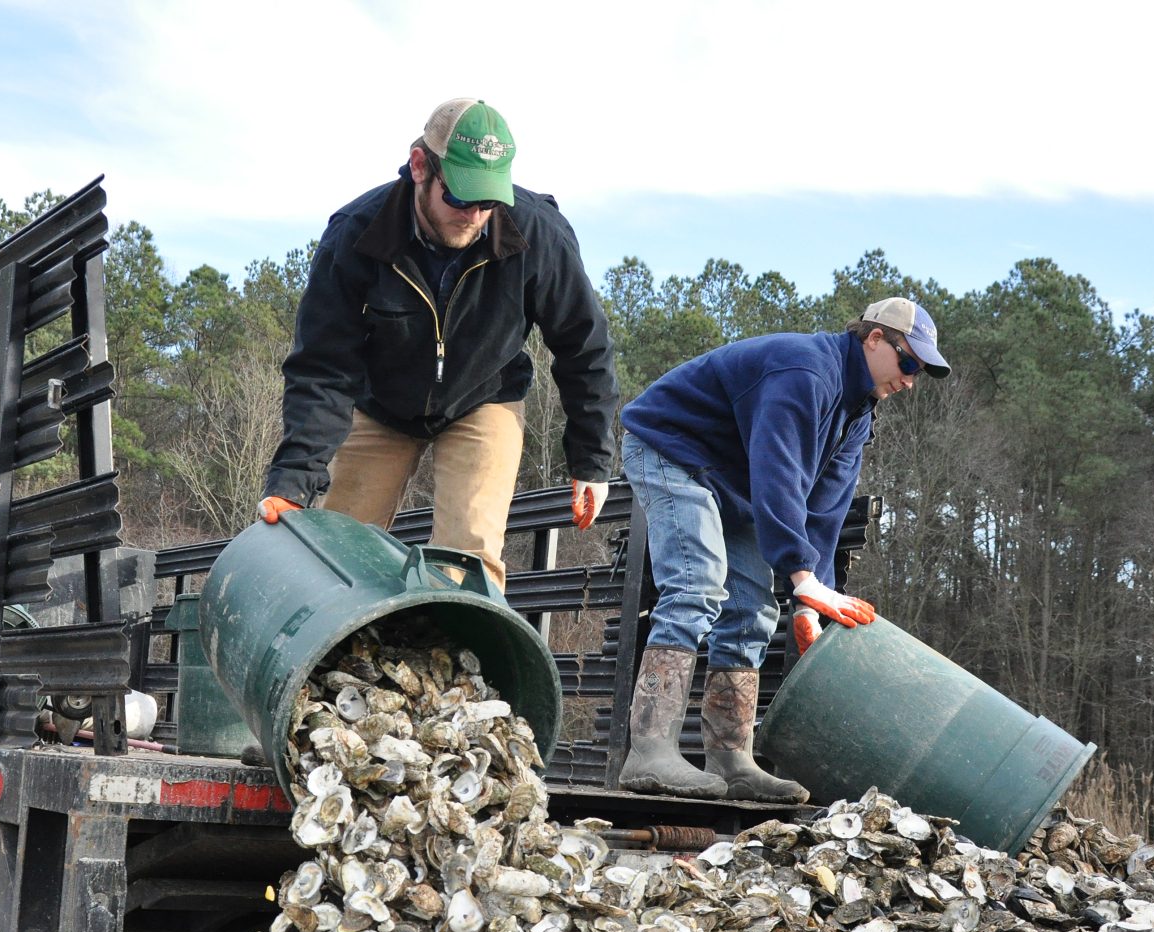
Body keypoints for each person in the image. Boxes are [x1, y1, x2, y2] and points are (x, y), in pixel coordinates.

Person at [256, 98, 619, 589]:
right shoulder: (357, 233)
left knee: (468, 557)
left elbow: (584, 346)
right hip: (379, 403)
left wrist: (591, 460)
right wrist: (293, 480)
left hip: (484, 396)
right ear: (420, 166)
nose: (474, 216)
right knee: (338, 556)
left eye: (488, 202)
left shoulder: (539, 233)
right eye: (459, 198)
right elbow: (322, 366)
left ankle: (460, 663)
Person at [615, 298, 951, 800]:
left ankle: (731, 758)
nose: (909, 380)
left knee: (752, 610)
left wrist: (811, 599)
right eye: (908, 363)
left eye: (919, 372)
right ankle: (649, 752)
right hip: (672, 450)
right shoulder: (805, 372)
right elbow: (779, 473)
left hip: (732, 476)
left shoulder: (857, 413)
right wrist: (799, 572)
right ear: (874, 339)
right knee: (696, 583)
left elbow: (824, 510)